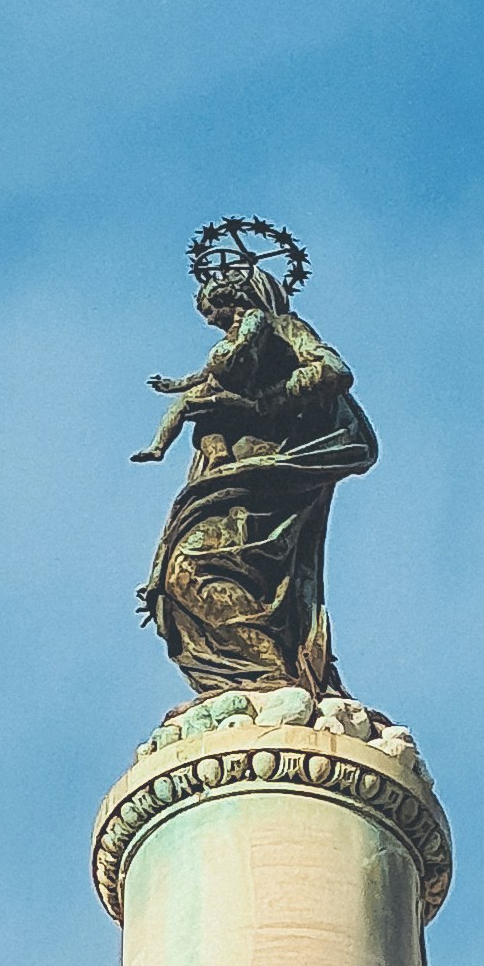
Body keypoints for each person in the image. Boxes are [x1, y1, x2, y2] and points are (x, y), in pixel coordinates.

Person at [133, 226, 377, 700]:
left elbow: (333, 371)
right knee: (180, 579)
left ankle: (274, 680)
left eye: (214, 311)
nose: (211, 321)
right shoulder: (233, 344)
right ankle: (258, 680)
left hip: (269, 473)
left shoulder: (283, 328)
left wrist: (264, 402)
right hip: (221, 475)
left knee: (193, 568)